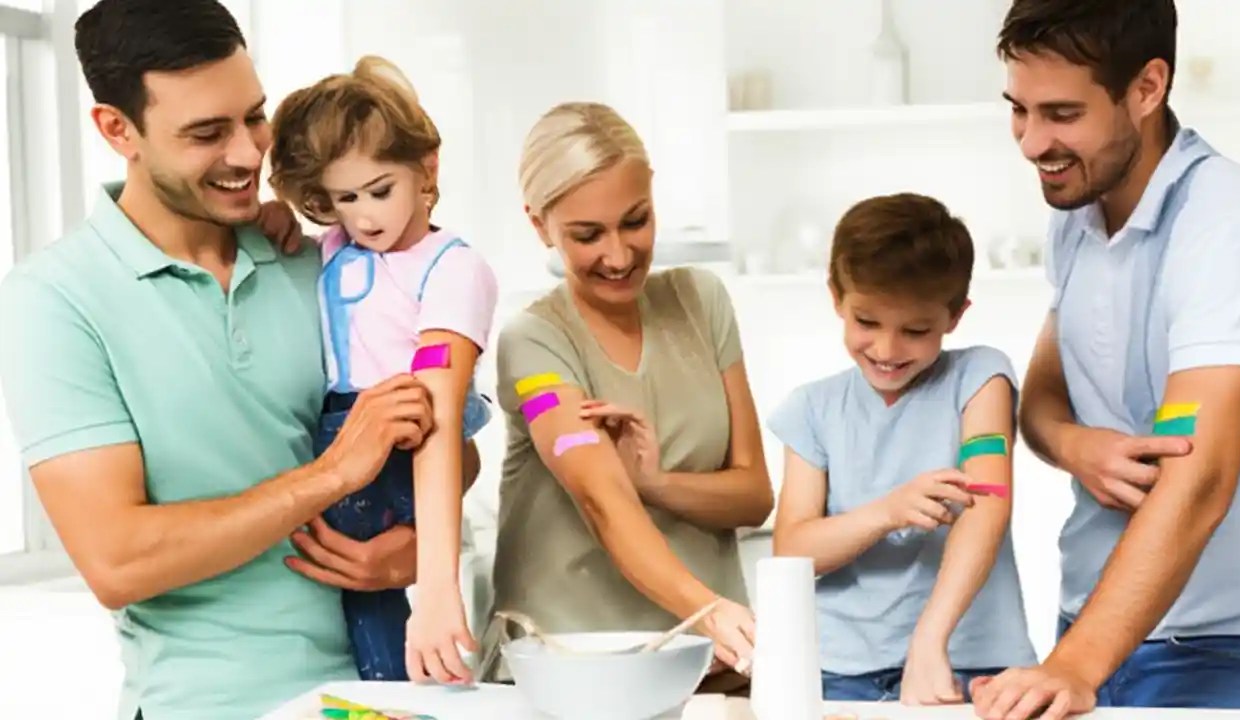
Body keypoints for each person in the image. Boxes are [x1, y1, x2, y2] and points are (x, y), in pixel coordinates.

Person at [0, 2, 455, 718]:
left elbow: (430, 433)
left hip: (388, 691)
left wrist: (416, 543)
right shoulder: (54, 299)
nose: (248, 154)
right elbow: (118, 560)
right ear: (118, 130)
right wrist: (331, 474)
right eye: (207, 133)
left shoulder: (318, 260)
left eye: (254, 117)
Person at [971, 1, 1240, 717]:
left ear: (1147, 88)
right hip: (1091, 632)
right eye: (1018, 110)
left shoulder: (1227, 223)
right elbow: (1044, 398)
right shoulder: (1080, 215)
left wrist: (1073, 666)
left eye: (1061, 114)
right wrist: (1077, 446)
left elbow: (1200, 477)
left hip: (1220, 651)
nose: (1031, 142)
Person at [480, 101, 773, 692]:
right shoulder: (534, 342)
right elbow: (600, 498)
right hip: (568, 677)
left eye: (635, 221)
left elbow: (753, 496)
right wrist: (706, 608)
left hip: (710, 667)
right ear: (539, 225)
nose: (618, 256)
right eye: (587, 235)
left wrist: (655, 483)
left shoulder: (701, 301)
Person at [267, 55, 497, 686]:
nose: (366, 216)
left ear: (427, 170)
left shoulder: (452, 268)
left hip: (410, 433)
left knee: (372, 603)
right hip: (343, 432)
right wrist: (273, 216)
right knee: (357, 593)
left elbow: (439, 414)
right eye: (346, 198)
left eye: (380, 190)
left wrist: (439, 586)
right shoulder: (337, 246)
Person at [768, 193, 1037, 704]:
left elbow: (987, 503)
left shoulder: (980, 379)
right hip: (840, 671)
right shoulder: (811, 409)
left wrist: (929, 641)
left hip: (968, 660)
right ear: (836, 298)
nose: (887, 350)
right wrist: (887, 512)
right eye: (867, 323)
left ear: (955, 316)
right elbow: (793, 550)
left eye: (915, 331)